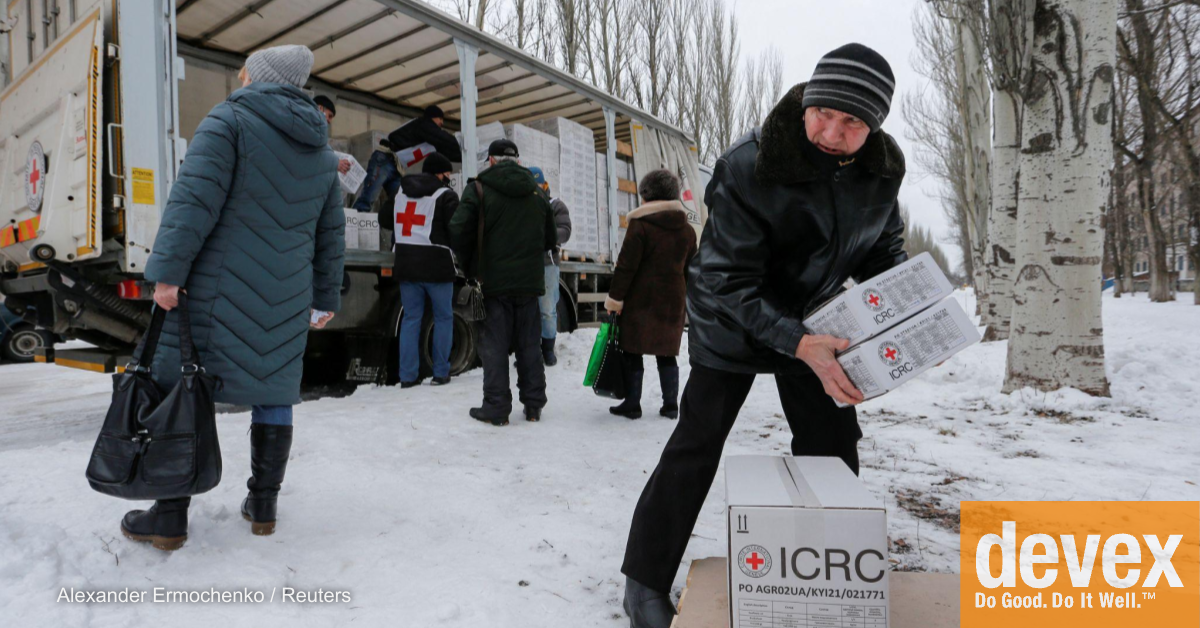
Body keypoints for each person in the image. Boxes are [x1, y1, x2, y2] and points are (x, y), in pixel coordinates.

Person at [620, 43, 907, 627]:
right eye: (823, 112)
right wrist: (795, 340)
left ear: (873, 127)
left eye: (852, 122)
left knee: (833, 441)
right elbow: (725, 279)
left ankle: (830, 566)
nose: (831, 130)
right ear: (807, 100)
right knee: (697, 443)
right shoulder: (751, 163)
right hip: (733, 320)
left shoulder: (883, 168)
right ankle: (643, 578)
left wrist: (906, 309)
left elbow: (883, 248)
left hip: (817, 323)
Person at [124, 44, 345, 551]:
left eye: (245, 69)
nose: (240, 75)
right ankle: (263, 505)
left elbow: (192, 202)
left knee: (179, 387)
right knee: (274, 390)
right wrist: (323, 296)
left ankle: (170, 517)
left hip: (217, 291)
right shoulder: (320, 147)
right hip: (286, 297)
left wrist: (166, 273)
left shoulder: (228, 121)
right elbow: (330, 232)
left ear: (258, 76)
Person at [450, 140, 556, 426]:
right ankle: (533, 406)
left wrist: (471, 264)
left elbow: (457, 230)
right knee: (529, 346)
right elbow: (551, 239)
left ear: (492, 162)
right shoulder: (537, 193)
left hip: (493, 284)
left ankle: (496, 407)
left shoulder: (479, 189)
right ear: (518, 162)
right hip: (529, 285)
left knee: (494, 346)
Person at [604, 169, 697, 420]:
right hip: (672, 303)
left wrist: (615, 300)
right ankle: (670, 406)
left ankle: (632, 404)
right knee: (667, 354)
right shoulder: (687, 230)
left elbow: (626, 266)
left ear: (648, 195)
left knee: (633, 351)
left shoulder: (641, 226)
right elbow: (692, 269)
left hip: (640, 302)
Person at [382, 152, 460, 388]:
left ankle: (407, 377)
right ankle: (440, 373)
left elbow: (385, 219)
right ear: (439, 173)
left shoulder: (400, 191)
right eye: (447, 173)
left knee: (411, 319)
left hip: (406, 264)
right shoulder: (446, 195)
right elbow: (457, 228)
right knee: (444, 317)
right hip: (437, 266)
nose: (448, 177)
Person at [353, 105, 463, 213]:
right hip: (385, 159)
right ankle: (352, 228)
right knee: (368, 198)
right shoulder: (422, 124)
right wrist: (457, 141)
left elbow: (447, 151)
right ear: (432, 117)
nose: (442, 123)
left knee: (400, 203)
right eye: (440, 119)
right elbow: (442, 137)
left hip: (397, 168)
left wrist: (467, 155)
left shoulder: (431, 139)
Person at [528, 167, 572, 366]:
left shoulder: (555, 205)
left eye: (538, 186)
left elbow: (565, 229)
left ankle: (547, 350)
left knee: (547, 309)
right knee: (526, 309)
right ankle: (528, 349)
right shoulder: (522, 205)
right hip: (524, 265)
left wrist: (546, 236)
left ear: (544, 185)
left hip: (547, 264)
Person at [314, 95, 352, 176]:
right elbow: (311, 156)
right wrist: (335, 163)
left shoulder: (317, 133)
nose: (329, 121)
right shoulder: (308, 129)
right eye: (329, 116)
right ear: (320, 108)